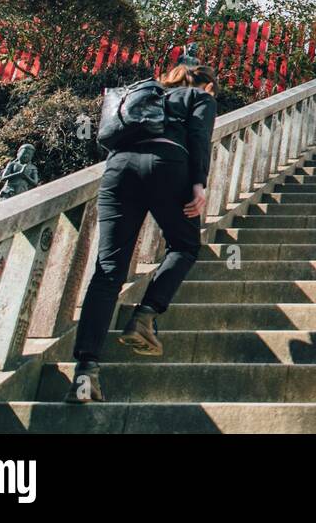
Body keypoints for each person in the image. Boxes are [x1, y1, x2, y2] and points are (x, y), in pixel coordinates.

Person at [66, 64, 218, 403]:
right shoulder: (199, 97)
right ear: (206, 84)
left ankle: (86, 372)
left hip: (119, 169)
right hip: (167, 165)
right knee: (185, 246)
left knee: (108, 271)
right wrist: (198, 184)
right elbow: (198, 137)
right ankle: (145, 315)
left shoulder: (142, 94)